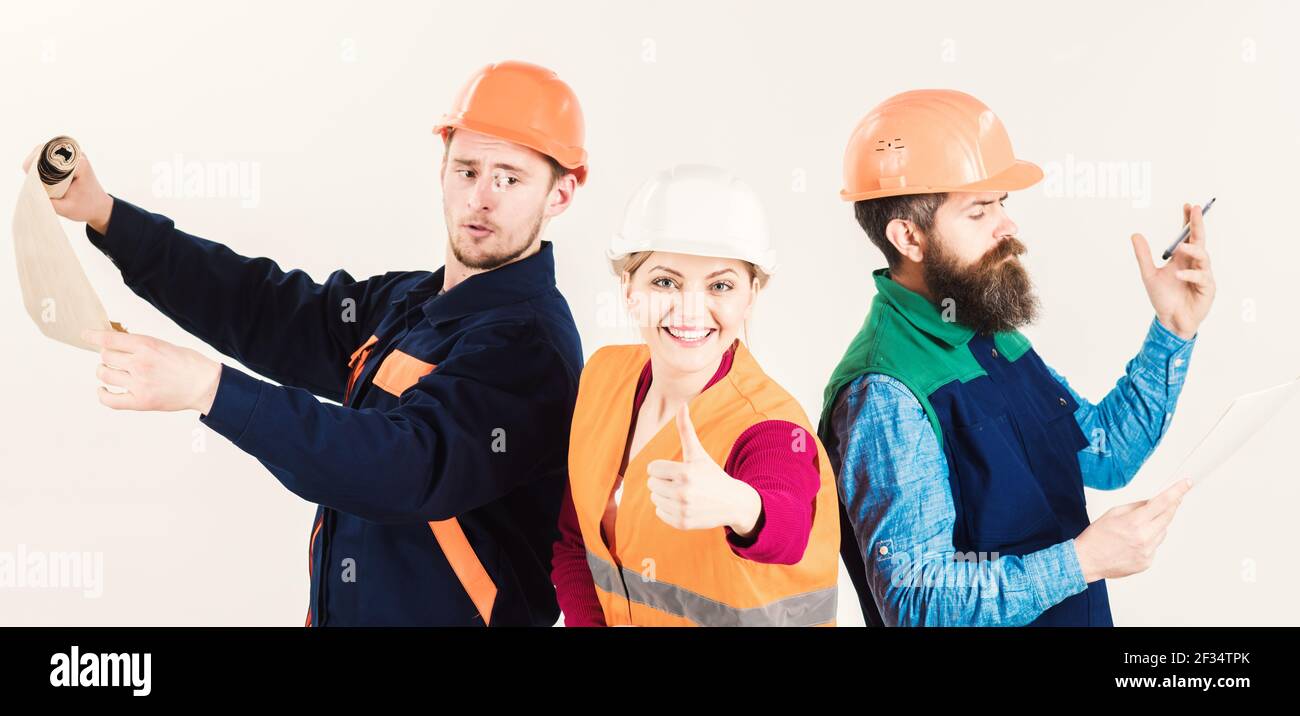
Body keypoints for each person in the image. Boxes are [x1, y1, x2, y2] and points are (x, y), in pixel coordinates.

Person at [48, 60, 588, 626]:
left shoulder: (530, 347)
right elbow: (266, 308)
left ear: (560, 194)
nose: (481, 197)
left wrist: (210, 389)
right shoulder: (407, 305)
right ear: (443, 167)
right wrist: (107, 217)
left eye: (509, 178)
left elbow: (406, 467)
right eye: (468, 169)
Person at [819, 90, 1211, 626]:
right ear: (907, 236)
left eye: (1002, 203)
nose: (1008, 226)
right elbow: (915, 601)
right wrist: (1083, 561)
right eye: (980, 211)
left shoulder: (991, 333)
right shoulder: (885, 391)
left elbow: (1103, 453)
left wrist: (1173, 328)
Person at [551, 165, 840, 626]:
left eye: (720, 286)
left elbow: (787, 524)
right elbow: (574, 542)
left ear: (750, 297)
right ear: (628, 290)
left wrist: (741, 506)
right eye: (664, 282)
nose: (689, 309)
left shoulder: (772, 426)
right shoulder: (604, 377)